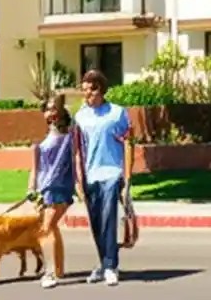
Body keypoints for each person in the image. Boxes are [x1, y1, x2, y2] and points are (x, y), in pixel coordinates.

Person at [73, 69, 132, 287]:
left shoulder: (117, 113)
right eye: (84, 90)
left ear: (100, 89)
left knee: (109, 219)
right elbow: (78, 150)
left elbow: (128, 144)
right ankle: (103, 262)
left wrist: (127, 178)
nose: (86, 94)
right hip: (90, 175)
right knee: (96, 223)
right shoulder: (79, 117)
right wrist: (78, 180)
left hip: (111, 173)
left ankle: (110, 266)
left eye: (90, 89)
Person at [29, 93, 75, 289]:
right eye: (46, 110)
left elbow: (76, 162)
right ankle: (59, 270)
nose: (49, 113)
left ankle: (50, 273)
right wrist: (31, 188)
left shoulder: (69, 137)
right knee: (52, 228)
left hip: (59, 188)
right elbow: (35, 168)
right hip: (44, 190)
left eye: (52, 109)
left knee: (46, 228)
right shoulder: (45, 140)